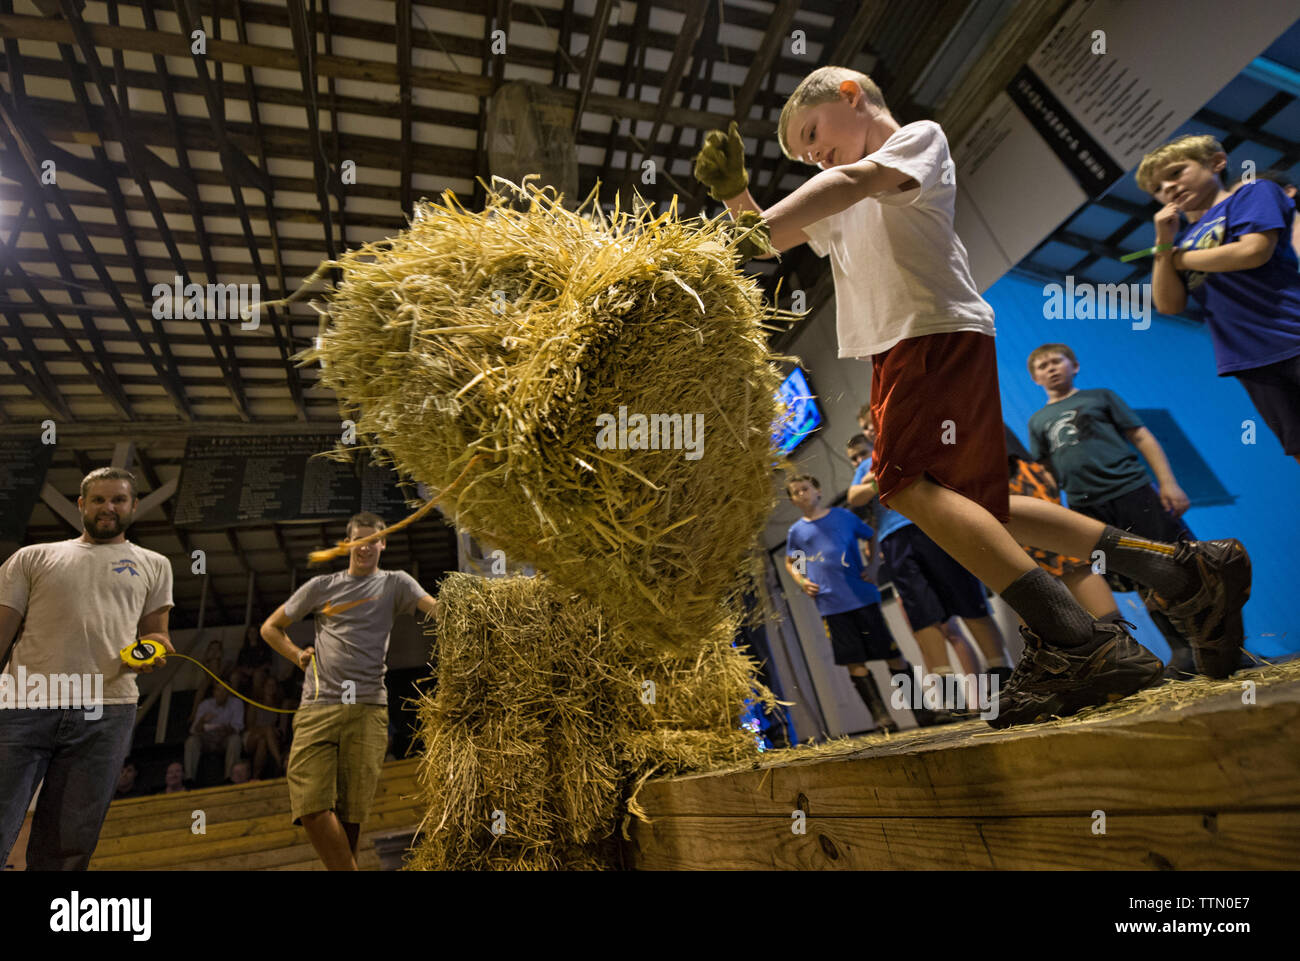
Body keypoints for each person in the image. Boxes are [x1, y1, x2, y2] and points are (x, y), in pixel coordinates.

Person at [693, 66, 1250, 727]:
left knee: (901, 485)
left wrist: (727, 238)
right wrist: (737, 202)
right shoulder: (835, 197)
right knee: (982, 508)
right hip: (905, 345)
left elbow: (847, 182)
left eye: (812, 135)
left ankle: (1076, 638)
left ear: (850, 94)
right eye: (802, 154)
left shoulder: (911, 143)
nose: (813, 156)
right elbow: (780, 236)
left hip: (927, 333)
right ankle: (1184, 574)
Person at [0, 467, 174, 869]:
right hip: (24, 701)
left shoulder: (155, 564)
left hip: (108, 709)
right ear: (81, 505)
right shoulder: (34, 556)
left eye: (118, 499)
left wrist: (154, 649)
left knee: (69, 841)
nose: (108, 507)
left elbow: (158, 635)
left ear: (132, 506)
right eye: (98, 499)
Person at [260, 512, 438, 870]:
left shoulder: (395, 583)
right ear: (347, 544)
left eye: (373, 540)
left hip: (369, 708)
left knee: (351, 813)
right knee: (311, 805)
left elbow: (438, 611)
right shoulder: (322, 586)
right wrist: (297, 655)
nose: (366, 546)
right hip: (318, 705)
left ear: (383, 543)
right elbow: (271, 628)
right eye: (359, 540)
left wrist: (480, 609)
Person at [1026, 344, 1209, 677]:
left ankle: (1210, 644)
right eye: (1042, 366)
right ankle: (1180, 651)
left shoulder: (1100, 397)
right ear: (1035, 377)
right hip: (1087, 508)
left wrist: (1168, 483)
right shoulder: (1037, 421)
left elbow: (1142, 437)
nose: (1050, 368)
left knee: (1174, 564)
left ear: (1075, 365)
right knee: (1137, 577)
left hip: (1131, 492)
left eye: (1056, 361)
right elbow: (1046, 473)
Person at [1140, 134, 1300, 465]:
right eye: (1157, 188)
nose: (1168, 188)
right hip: (1250, 361)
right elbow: (1169, 305)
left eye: (1176, 173)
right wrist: (1163, 244)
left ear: (1216, 163)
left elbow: (1253, 251)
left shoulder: (1252, 193)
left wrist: (1180, 259)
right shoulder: (1179, 241)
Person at [845, 428, 1013, 691]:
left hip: (933, 525)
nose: (858, 461)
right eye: (853, 458)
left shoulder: (909, 440)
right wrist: (878, 478)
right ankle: (947, 687)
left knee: (968, 598)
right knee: (922, 613)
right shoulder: (868, 466)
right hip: (895, 539)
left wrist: (881, 477)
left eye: (862, 452)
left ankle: (1002, 672)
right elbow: (854, 497)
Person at [783, 474, 934, 732]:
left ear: (817, 490)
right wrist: (801, 580)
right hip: (831, 604)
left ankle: (922, 712)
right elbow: (791, 560)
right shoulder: (796, 532)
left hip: (862, 596)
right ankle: (881, 718)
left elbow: (871, 536)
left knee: (892, 654)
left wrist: (874, 565)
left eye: (805, 489)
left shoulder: (844, 517)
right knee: (854, 661)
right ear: (793, 501)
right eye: (795, 493)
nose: (801, 495)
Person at [184, 679, 244, 784]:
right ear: (214, 692)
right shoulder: (205, 705)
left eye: (225, 690)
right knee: (191, 741)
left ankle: (230, 779)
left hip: (224, 739)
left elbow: (237, 728)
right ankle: (189, 779)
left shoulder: (236, 703)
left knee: (235, 740)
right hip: (207, 740)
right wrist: (202, 721)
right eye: (219, 690)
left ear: (229, 692)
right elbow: (194, 730)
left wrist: (225, 729)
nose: (221, 694)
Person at [243, 674, 288, 779]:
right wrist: (267, 730)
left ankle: (255, 777)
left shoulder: (278, 706)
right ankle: (280, 763)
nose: (270, 687)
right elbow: (249, 726)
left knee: (263, 742)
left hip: (268, 739)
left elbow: (281, 730)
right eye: (268, 685)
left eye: (273, 685)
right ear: (263, 687)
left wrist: (273, 732)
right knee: (267, 731)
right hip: (251, 736)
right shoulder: (254, 704)